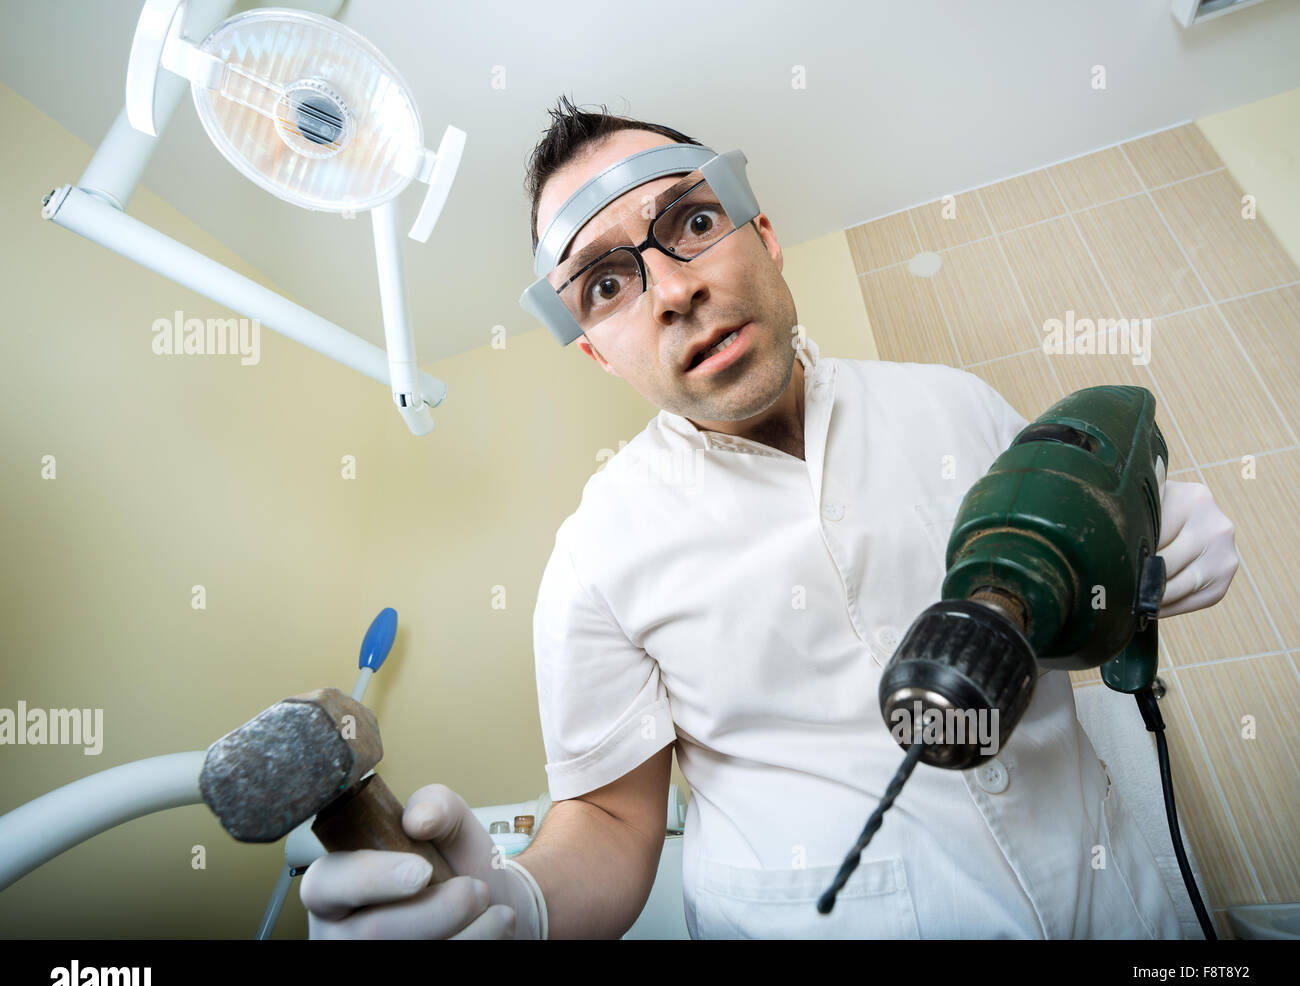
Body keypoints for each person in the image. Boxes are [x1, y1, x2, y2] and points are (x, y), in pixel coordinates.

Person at [301, 97, 1240, 940]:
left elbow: (1061, 620)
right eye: (606, 284)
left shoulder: (958, 408)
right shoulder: (596, 557)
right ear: (596, 354)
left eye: (694, 224)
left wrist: (1141, 559)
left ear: (766, 233)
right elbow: (618, 822)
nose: (673, 291)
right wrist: (522, 905)